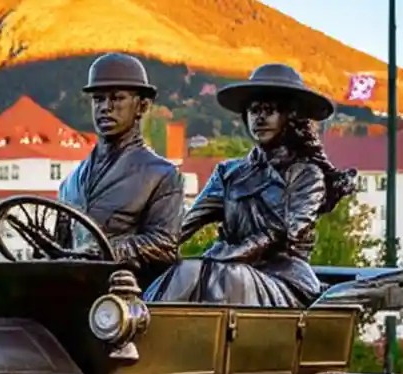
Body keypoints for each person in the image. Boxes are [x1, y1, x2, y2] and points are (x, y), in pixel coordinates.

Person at [144, 63, 359, 307]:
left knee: (222, 277)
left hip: (282, 278)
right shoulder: (229, 173)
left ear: (290, 117)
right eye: (254, 110)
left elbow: (288, 231)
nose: (260, 118)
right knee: (183, 270)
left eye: (270, 110)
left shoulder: (307, 175)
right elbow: (185, 224)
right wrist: (145, 245)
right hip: (226, 267)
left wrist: (238, 253)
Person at [57, 52, 185, 288]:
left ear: (142, 106)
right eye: (98, 99)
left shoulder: (162, 174)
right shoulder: (70, 183)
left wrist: (103, 251)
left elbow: (164, 244)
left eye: (117, 98)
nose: (106, 108)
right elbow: (60, 247)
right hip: (72, 292)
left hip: (129, 296)